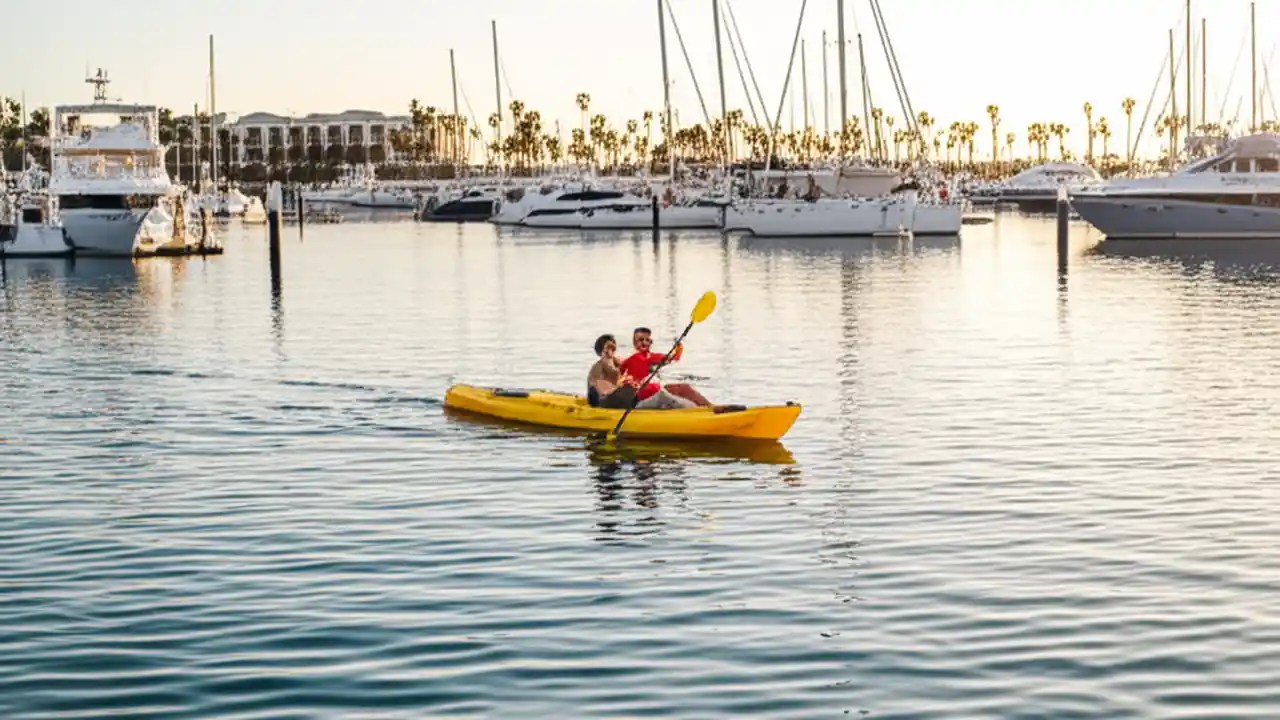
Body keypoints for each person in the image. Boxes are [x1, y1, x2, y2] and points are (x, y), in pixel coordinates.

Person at [587, 334, 695, 410]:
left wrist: (664, 360)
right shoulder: (598, 368)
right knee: (661, 396)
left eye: (612, 347)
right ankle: (692, 411)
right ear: (600, 351)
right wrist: (627, 386)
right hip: (613, 405)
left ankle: (700, 408)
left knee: (674, 389)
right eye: (606, 348)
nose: (610, 351)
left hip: (630, 399)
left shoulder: (618, 362)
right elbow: (603, 392)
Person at [618, 327, 712, 407]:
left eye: (647, 340)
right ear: (634, 343)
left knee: (684, 388)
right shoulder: (633, 358)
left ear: (651, 342)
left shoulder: (651, 356)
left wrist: (678, 348)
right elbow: (621, 375)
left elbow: (674, 358)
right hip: (642, 398)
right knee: (670, 392)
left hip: (653, 391)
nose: (644, 343)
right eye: (641, 340)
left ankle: (709, 407)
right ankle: (701, 410)